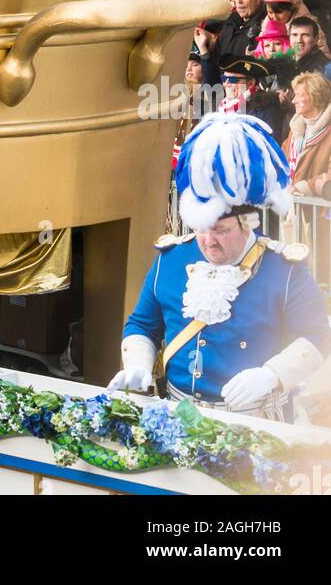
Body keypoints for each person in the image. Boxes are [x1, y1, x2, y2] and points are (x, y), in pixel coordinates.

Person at [109, 112, 330, 419]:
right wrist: (138, 364)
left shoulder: (286, 269)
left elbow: (317, 335)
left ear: (248, 224)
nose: (208, 241)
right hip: (176, 415)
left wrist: (272, 375)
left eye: (221, 231)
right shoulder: (171, 259)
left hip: (255, 419)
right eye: (202, 229)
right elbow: (142, 324)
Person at [194, 0, 266, 86]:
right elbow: (213, 79)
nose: (239, 1)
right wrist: (206, 49)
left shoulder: (266, 29)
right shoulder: (227, 25)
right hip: (223, 97)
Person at [284, 72, 331, 197]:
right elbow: (281, 159)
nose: (293, 101)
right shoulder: (295, 128)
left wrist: (302, 188)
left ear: (315, 96)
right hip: (293, 211)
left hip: (319, 213)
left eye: (299, 96)